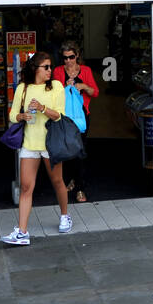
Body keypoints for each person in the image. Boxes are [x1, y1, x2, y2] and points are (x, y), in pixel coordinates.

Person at [2, 51, 70, 245]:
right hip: (30, 143)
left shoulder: (56, 86)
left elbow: (59, 115)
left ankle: (65, 214)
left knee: (57, 181)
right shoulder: (22, 88)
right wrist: (21, 116)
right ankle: (22, 232)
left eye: (50, 67)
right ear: (35, 69)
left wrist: (42, 108)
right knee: (26, 187)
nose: (50, 70)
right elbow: (12, 114)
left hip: (50, 143)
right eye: (46, 67)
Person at [54, 39, 99, 203]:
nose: (68, 61)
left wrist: (84, 86)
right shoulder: (58, 71)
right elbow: (54, 94)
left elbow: (95, 92)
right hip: (65, 117)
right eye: (65, 58)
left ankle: (80, 188)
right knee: (68, 151)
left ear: (77, 55)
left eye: (71, 57)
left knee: (80, 151)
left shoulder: (85, 70)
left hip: (81, 117)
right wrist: (63, 87)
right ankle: (74, 179)